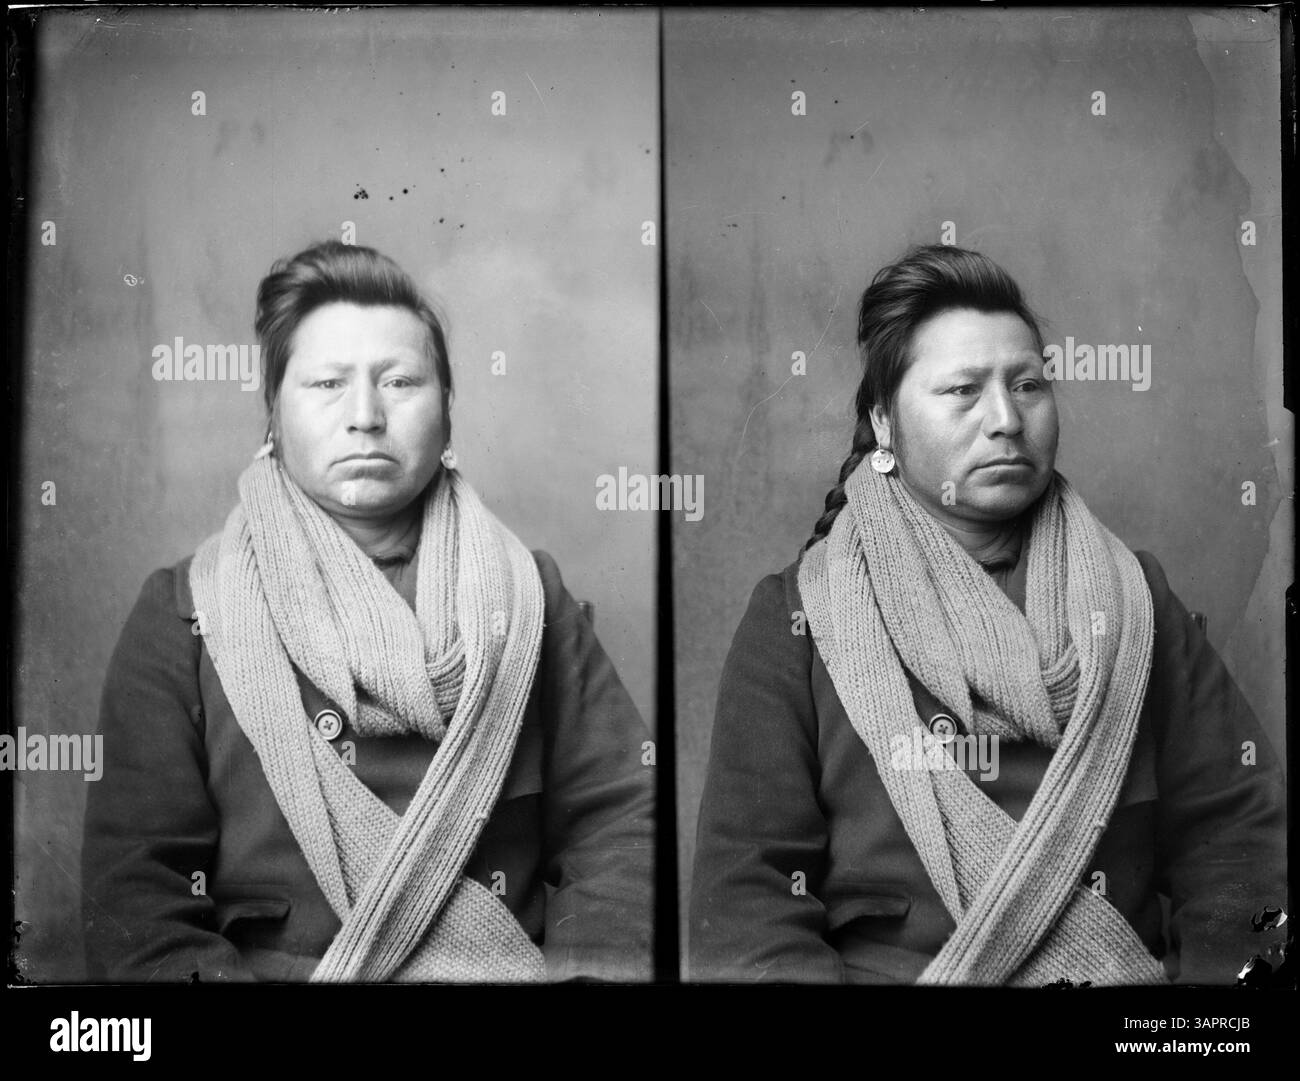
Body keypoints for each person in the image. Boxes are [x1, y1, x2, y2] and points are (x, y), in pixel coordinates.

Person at [690, 245, 1287, 986]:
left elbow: (1238, 833)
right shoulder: (795, 620)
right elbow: (750, 902)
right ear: (883, 420)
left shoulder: (1137, 600)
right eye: (963, 390)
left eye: (1028, 385)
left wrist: (1208, 1024)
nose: (1006, 419)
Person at [82, 240, 654, 983]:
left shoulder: (531, 595)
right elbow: (137, 892)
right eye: (326, 383)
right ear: (273, 415)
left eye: (400, 381)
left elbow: (620, 823)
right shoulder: (183, 610)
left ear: (448, 413)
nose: (365, 416)